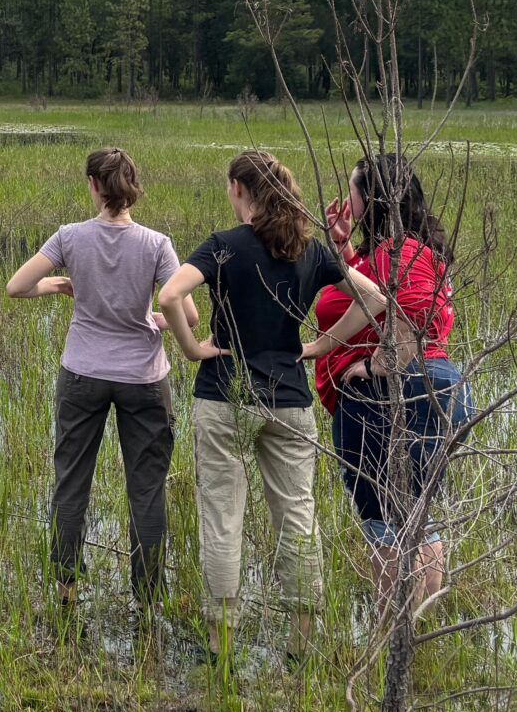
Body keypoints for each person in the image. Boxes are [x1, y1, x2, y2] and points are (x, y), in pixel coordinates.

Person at [157, 149, 387, 662]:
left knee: (221, 517)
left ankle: (221, 643)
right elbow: (374, 299)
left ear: (240, 190)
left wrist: (193, 349)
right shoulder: (312, 251)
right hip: (290, 400)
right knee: (297, 517)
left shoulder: (223, 247)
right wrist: (322, 346)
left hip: (225, 397)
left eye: (229, 188)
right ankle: (301, 645)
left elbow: (170, 296)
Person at [6, 148, 207, 613]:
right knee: (146, 490)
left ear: (94, 186)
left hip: (82, 374)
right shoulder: (157, 244)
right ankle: (148, 599)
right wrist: (154, 319)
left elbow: (16, 287)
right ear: (131, 188)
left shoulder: (69, 237)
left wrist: (58, 284)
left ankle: (65, 591)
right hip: (143, 379)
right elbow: (189, 314)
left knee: (71, 483)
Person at [302, 153, 469, 620]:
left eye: (352, 190)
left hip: (394, 396)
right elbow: (385, 293)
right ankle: (412, 637)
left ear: (371, 198)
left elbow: (414, 313)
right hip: (435, 390)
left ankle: (389, 640)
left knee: (386, 523)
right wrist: (345, 255)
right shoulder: (406, 252)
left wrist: (377, 365)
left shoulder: (401, 251)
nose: (346, 200)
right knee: (418, 516)